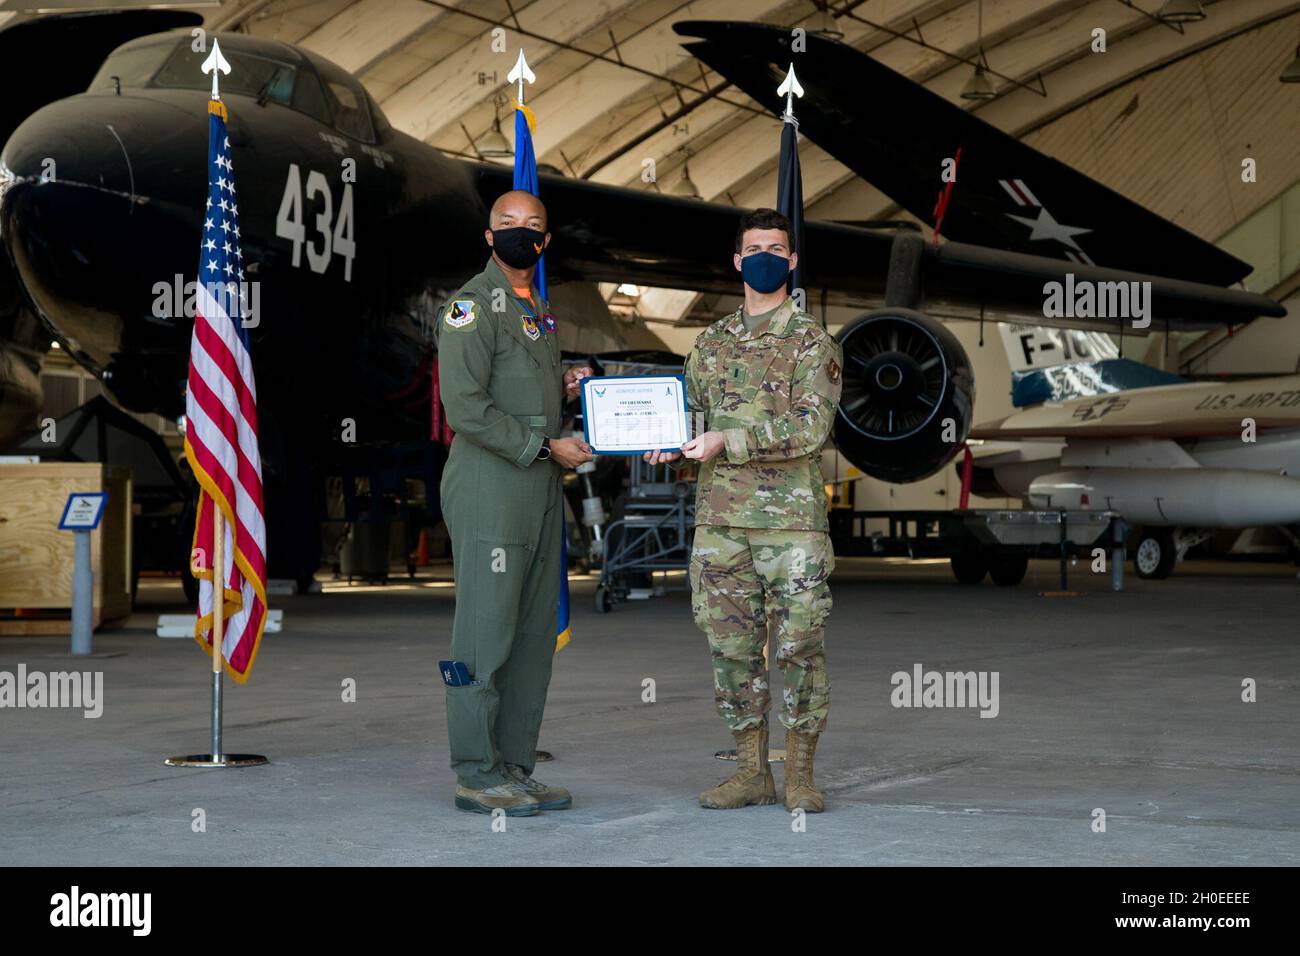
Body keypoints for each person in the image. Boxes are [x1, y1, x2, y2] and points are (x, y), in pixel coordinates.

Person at [646, 208, 843, 812]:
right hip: (721, 525)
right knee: (730, 650)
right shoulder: (709, 344)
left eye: (775, 247)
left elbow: (812, 428)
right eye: (753, 247)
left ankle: (801, 776)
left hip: (791, 529)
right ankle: (751, 772)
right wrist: (671, 450)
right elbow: (694, 428)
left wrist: (724, 442)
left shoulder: (813, 342)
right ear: (738, 261)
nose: (764, 255)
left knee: (799, 648)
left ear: (791, 261)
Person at [435, 189, 593, 816]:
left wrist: (564, 385)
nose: (521, 233)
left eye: (534, 226)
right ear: (488, 234)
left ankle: (514, 766)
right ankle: (476, 771)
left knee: (530, 633)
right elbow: (466, 408)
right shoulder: (472, 306)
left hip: (539, 487)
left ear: (546, 242)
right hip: (492, 485)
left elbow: (518, 384)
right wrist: (544, 445)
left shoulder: (538, 309)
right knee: (484, 632)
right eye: (509, 224)